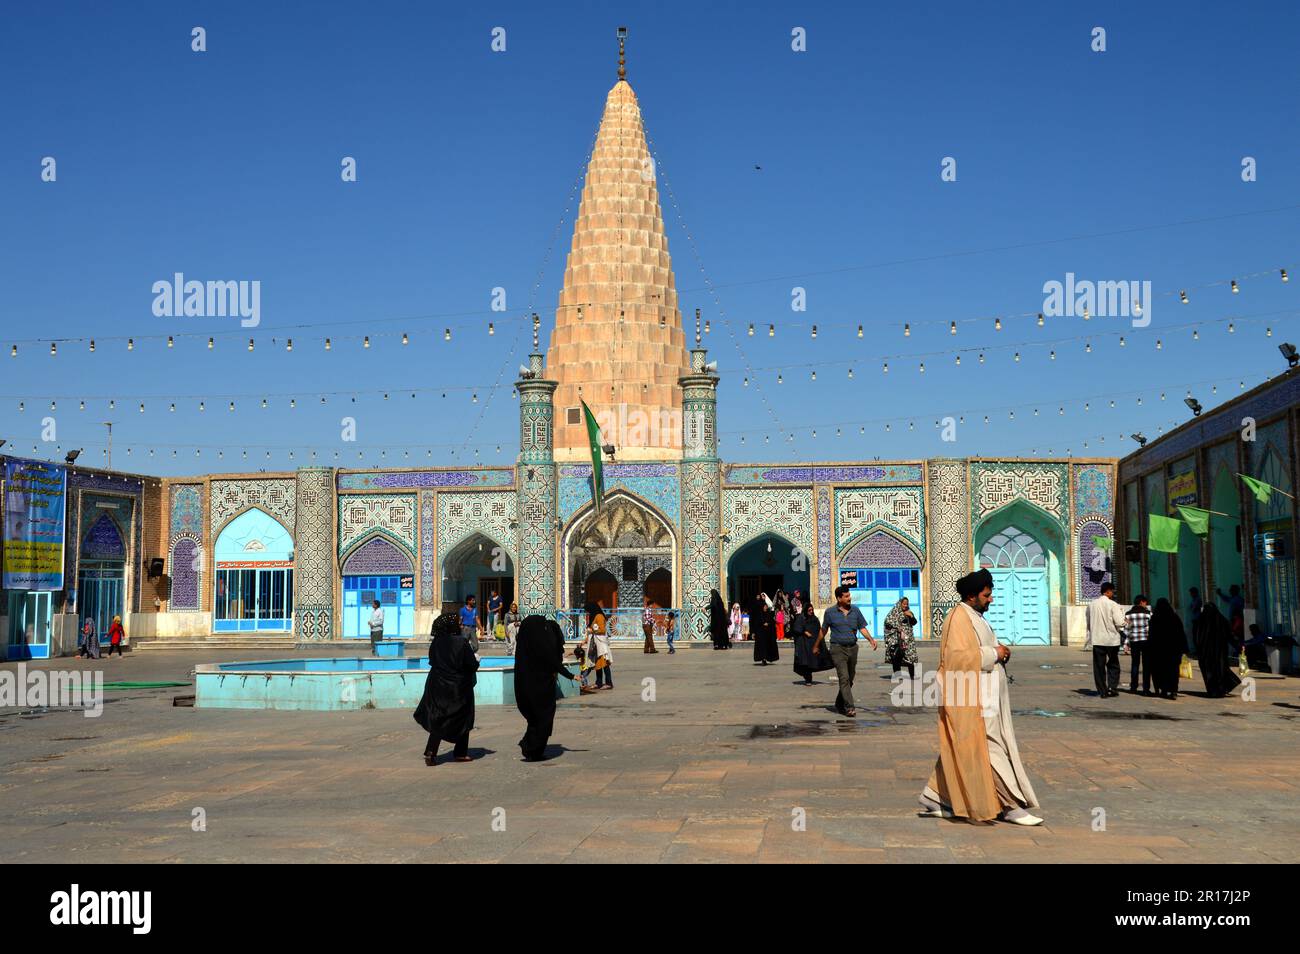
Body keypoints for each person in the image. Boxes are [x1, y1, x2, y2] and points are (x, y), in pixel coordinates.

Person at [918, 568, 1043, 826]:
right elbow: (955, 659)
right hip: (973, 700)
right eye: (987, 595)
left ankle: (936, 796)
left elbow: (974, 649)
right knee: (990, 750)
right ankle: (1010, 805)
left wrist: (997, 652)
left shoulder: (974, 616)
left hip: (985, 696)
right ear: (972, 596)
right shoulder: (959, 617)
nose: (991, 599)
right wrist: (994, 654)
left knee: (961, 748)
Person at [413, 611, 479, 765]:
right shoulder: (460, 642)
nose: (460, 624)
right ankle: (461, 753)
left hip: (437, 686)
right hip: (458, 688)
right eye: (457, 622)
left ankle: (431, 751)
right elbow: (471, 664)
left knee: (438, 718)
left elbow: (432, 661)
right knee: (464, 717)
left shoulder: (436, 643)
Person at [514, 615, 579, 761]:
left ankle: (530, 747)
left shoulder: (524, 650)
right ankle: (533, 749)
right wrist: (571, 675)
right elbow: (554, 662)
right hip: (542, 690)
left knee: (535, 720)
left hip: (526, 690)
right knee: (543, 719)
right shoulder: (542, 647)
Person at [816, 584, 879, 716]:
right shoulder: (830, 612)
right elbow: (824, 630)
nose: (849, 598)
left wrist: (871, 640)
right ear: (839, 598)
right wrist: (816, 645)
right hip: (837, 648)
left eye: (849, 595)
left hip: (853, 648)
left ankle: (839, 702)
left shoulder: (855, 611)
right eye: (846, 596)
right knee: (843, 677)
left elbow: (862, 627)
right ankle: (849, 707)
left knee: (850, 679)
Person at [1086, 582, 1126, 697]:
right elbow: (1119, 622)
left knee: (1099, 666)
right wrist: (1125, 622)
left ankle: (1102, 690)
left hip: (1098, 639)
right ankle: (1112, 688)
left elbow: (1088, 622)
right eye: (1112, 591)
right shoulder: (1113, 605)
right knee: (1113, 664)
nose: (1113, 594)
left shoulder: (1091, 605)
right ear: (1108, 591)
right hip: (1111, 640)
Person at [1193, 604, 1242, 698]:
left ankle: (1213, 691)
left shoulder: (1200, 621)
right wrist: (1238, 647)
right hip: (1220, 653)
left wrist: (1198, 649)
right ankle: (1221, 689)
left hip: (1205, 653)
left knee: (1209, 671)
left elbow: (1196, 637)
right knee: (1220, 670)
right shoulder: (1222, 620)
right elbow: (1230, 636)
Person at [1147, 598, 1185, 699]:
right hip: (1173, 651)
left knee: (1160, 670)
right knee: (1173, 671)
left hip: (1158, 651)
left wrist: (1149, 648)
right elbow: (1181, 634)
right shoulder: (1175, 618)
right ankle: (1173, 691)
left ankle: (1163, 690)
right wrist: (1184, 648)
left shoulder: (1155, 619)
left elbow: (1151, 635)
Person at [791, 602, 833, 685]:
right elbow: (796, 628)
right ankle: (808, 679)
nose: (811, 611)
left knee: (811, 661)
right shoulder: (801, 618)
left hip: (812, 644)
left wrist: (819, 643)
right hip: (803, 644)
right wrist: (804, 631)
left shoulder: (815, 619)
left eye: (812, 610)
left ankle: (808, 678)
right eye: (809, 610)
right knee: (805, 662)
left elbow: (819, 630)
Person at [883, 597, 919, 680]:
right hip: (896, 639)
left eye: (907, 604)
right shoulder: (894, 613)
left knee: (910, 656)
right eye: (904, 604)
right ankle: (897, 675)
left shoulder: (909, 613)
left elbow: (914, 623)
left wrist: (911, 616)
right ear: (900, 604)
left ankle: (912, 675)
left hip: (908, 640)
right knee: (896, 657)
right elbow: (887, 623)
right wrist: (897, 628)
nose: (905, 605)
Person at [1124, 594, 1152, 695]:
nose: (1146, 605)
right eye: (1145, 602)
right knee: (1146, 665)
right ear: (1141, 602)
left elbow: (1126, 630)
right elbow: (1151, 628)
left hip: (1134, 641)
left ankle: (1133, 687)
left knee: (1135, 664)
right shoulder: (1149, 614)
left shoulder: (1128, 614)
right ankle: (1145, 689)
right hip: (1146, 641)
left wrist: (1126, 644)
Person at [586, 601, 614, 690]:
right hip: (596, 644)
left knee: (604, 663)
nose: (588, 613)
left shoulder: (599, 616)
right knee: (598, 664)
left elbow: (602, 630)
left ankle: (609, 683)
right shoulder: (593, 616)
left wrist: (592, 631)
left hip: (601, 644)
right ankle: (598, 683)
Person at [1216, 584, 1245, 652]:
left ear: (1235, 591)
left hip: (1237, 622)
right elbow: (1226, 599)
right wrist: (1220, 594)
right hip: (1234, 621)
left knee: (1236, 637)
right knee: (1233, 637)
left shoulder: (1238, 599)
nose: (1230, 591)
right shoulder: (1233, 599)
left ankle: (1240, 651)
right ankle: (1240, 651)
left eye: (1231, 590)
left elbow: (1240, 610)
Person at [751, 593, 779, 664]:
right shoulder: (759, 615)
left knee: (767, 646)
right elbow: (756, 624)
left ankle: (766, 658)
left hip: (768, 634)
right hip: (761, 634)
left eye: (766, 606)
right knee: (762, 647)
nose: (765, 607)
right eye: (764, 606)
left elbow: (772, 622)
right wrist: (754, 632)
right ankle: (763, 658)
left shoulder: (769, 614)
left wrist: (768, 623)